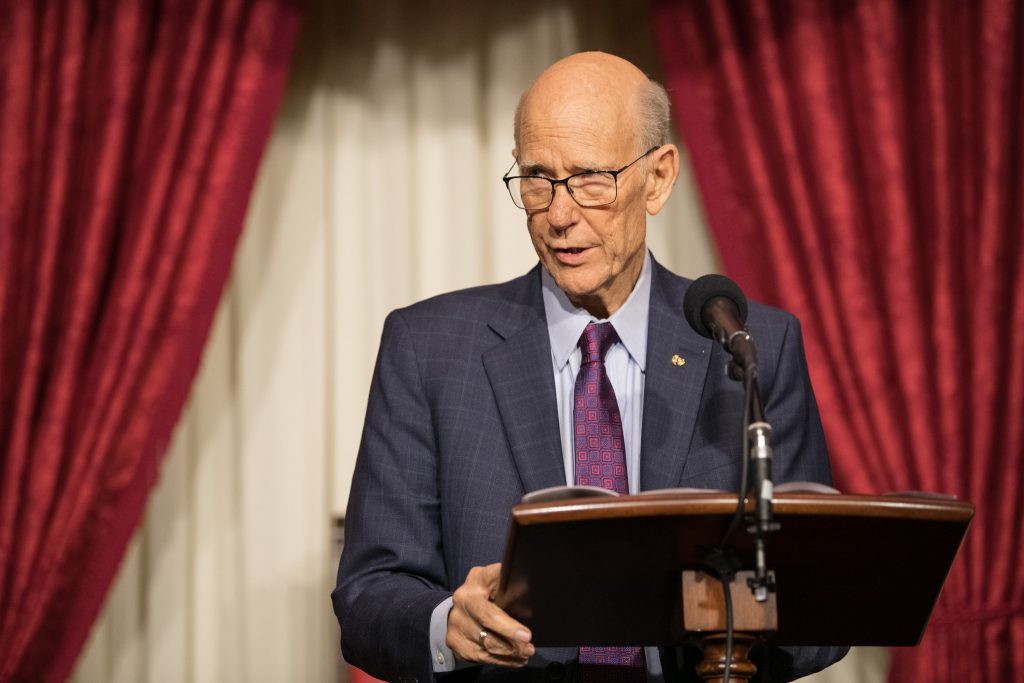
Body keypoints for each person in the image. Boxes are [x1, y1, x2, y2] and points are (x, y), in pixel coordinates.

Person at [332, 52, 847, 682]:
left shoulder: (746, 347)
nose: (559, 214)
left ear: (658, 178)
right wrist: (448, 626)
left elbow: (823, 613)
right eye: (538, 179)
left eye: (590, 179)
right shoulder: (428, 348)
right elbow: (369, 594)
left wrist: (719, 619)